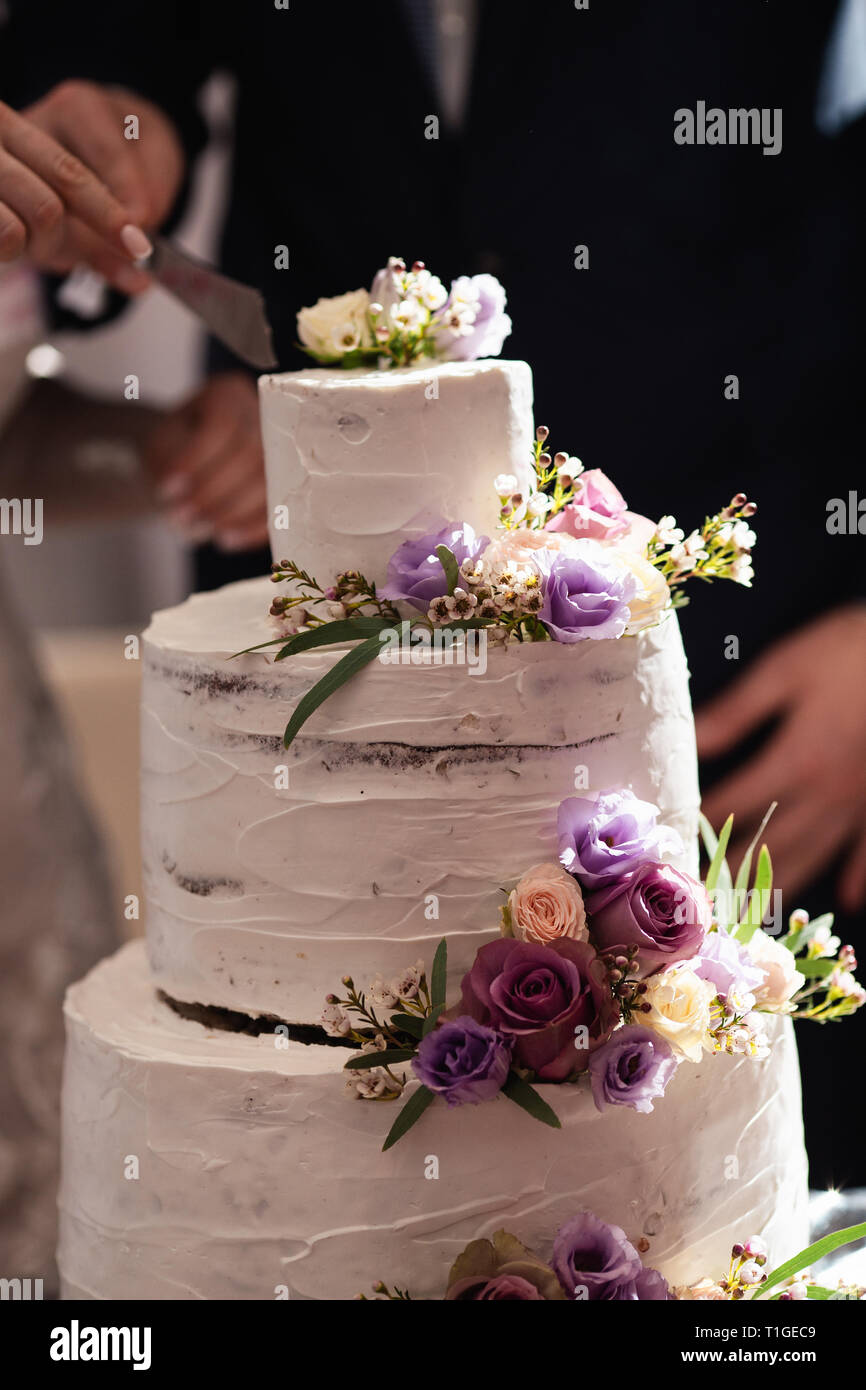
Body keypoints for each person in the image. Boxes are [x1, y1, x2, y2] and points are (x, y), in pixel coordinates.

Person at [1, 0, 863, 1183]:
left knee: (727, 1183)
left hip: (765, 642)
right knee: (310, 1166)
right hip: (310, 558)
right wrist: (105, 121)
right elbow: (120, 49)